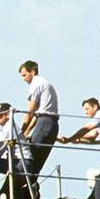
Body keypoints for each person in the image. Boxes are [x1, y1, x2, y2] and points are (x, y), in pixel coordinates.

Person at [59, 98, 100, 199]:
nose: (85, 112)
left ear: (95, 107)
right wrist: (76, 141)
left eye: (87, 109)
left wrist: (70, 139)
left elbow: (86, 129)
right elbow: (93, 138)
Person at [18, 60, 59, 188]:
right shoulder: (46, 84)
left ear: (32, 72)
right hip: (51, 124)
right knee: (39, 159)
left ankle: (25, 187)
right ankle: (30, 186)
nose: (24, 79)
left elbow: (31, 111)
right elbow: (38, 113)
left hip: (44, 122)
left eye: (25, 75)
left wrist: (21, 131)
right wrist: (27, 132)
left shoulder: (36, 84)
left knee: (32, 156)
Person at [0, 101, 35, 199]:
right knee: (8, 193)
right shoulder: (8, 127)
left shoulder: (9, 128)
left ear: (8, 115)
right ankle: (27, 192)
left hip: (21, 164)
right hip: (19, 163)